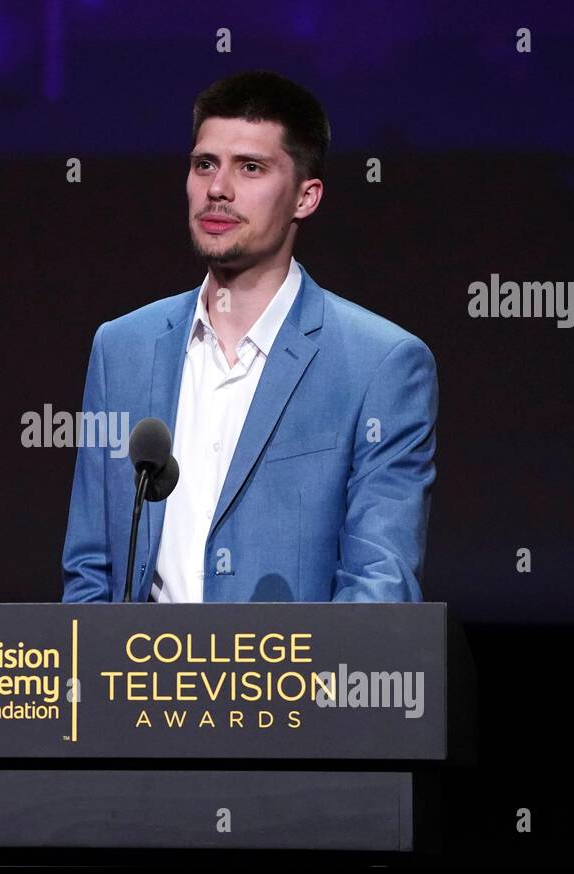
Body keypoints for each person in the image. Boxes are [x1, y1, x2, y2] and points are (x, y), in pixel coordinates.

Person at [61, 71, 437, 604]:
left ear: (306, 198)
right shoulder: (122, 350)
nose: (218, 189)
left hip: (295, 682)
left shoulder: (382, 364)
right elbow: (90, 571)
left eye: (251, 168)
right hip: (142, 681)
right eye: (204, 165)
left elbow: (380, 586)